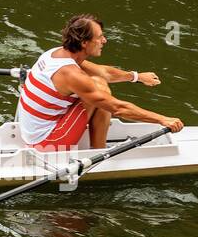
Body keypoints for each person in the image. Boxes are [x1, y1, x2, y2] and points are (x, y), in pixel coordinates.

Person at [17, 14, 184, 150]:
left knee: (98, 82)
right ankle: (99, 152)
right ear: (84, 43)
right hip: (47, 144)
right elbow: (117, 108)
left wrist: (136, 76)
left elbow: (104, 72)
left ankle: (97, 146)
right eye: (100, 37)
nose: (104, 41)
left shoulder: (56, 53)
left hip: (34, 131)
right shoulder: (70, 73)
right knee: (99, 89)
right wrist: (162, 119)